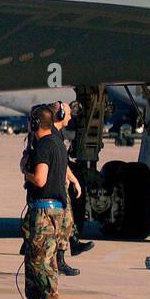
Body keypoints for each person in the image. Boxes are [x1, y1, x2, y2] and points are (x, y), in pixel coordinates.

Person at [19, 105, 79, 299]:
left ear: (35, 123)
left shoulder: (44, 146)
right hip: (54, 209)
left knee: (40, 259)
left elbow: (40, 179)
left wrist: (27, 173)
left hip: (44, 211)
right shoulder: (58, 144)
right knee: (34, 255)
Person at [50, 100, 92, 277]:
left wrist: (73, 180)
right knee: (55, 226)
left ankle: (67, 251)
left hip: (60, 187)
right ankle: (57, 259)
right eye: (67, 114)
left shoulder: (57, 135)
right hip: (51, 191)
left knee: (66, 222)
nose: (69, 118)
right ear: (59, 116)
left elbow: (63, 162)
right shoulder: (48, 137)